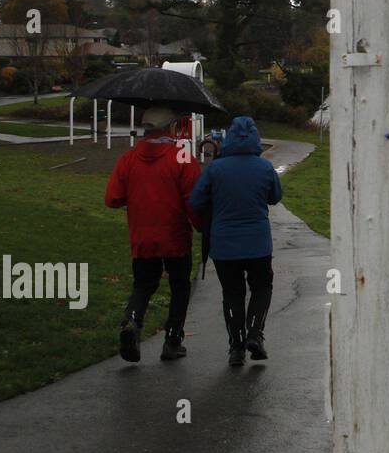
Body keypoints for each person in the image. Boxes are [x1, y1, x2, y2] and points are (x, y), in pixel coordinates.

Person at [104, 105, 201, 363]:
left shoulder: (129, 158)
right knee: (180, 287)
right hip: (175, 235)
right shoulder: (182, 157)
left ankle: (132, 322)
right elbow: (194, 200)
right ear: (171, 127)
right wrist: (202, 225)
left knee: (144, 284)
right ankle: (172, 340)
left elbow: (112, 198)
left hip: (142, 236)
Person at [189, 116, 282, 367]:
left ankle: (236, 347)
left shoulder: (216, 169)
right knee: (262, 288)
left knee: (232, 293)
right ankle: (255, 333)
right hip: (257, 243)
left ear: (228, 137)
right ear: (255, 137)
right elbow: (275, 197)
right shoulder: (264, 168)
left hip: (224, 244)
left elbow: (196, 201)